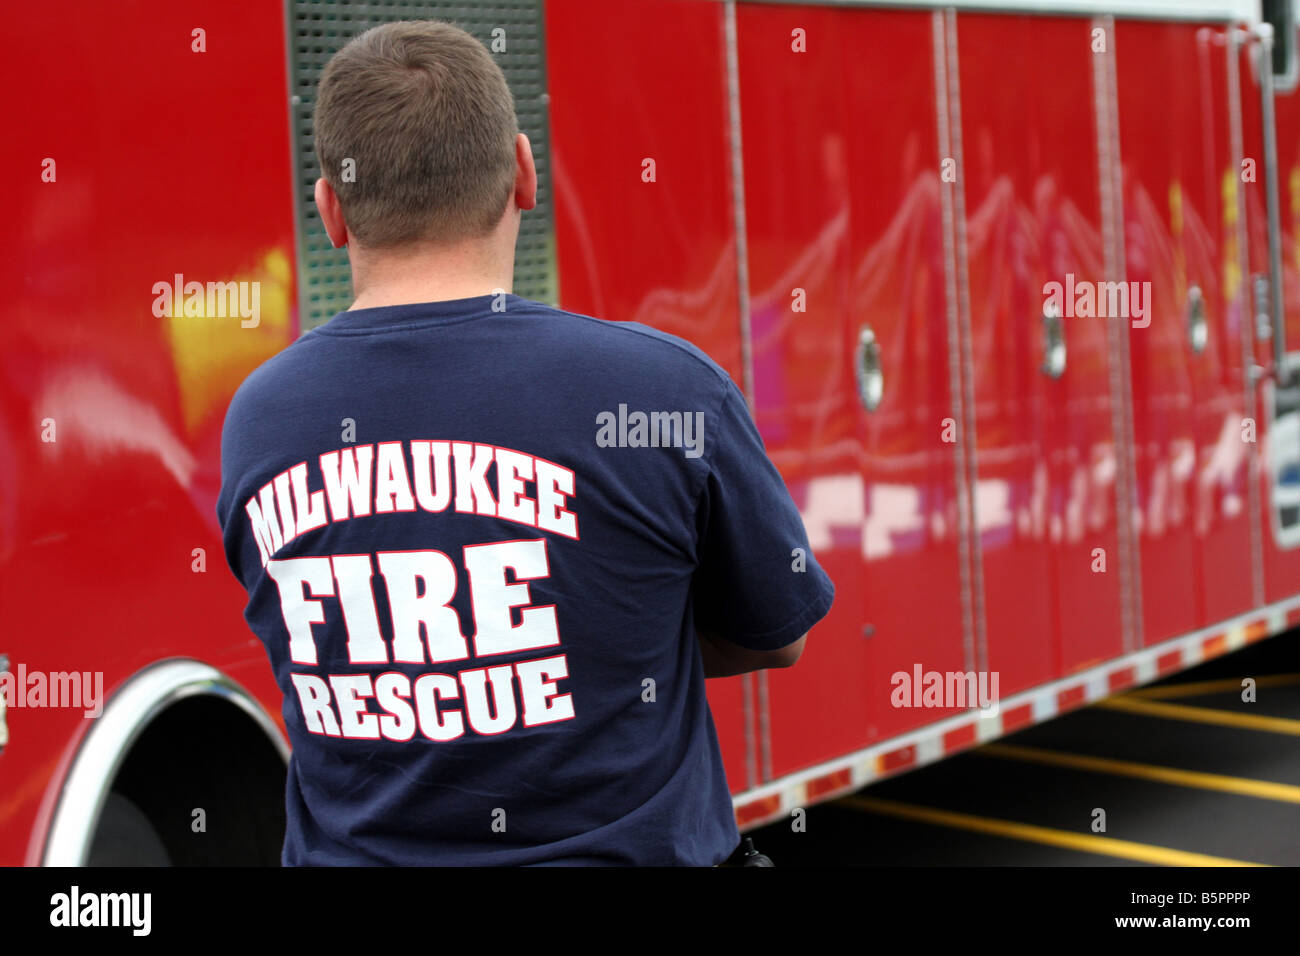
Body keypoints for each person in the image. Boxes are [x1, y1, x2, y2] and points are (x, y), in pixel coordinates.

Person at [216, 18, 833, 866]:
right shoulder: (666, 390)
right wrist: (611, 639)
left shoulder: (259, 420)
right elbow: (778, 632)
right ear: (523, 174)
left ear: (330, 209)